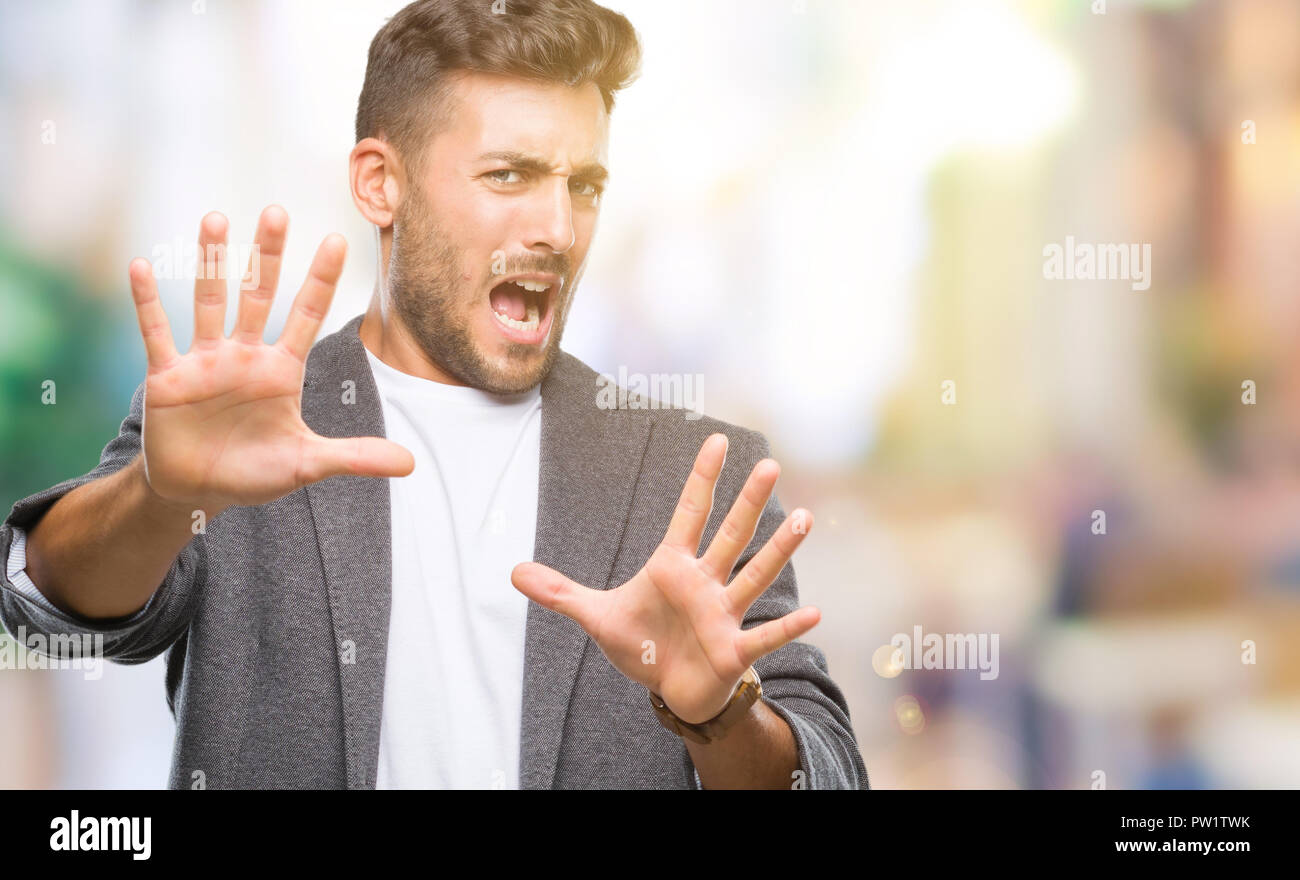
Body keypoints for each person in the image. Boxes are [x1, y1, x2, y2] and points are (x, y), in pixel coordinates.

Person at [0, 0, 867, 790]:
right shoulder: (243, 429)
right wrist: (159, 498)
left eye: (583, 185)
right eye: (509, 175)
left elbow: (828, 775)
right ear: (381, 184)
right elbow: (48, 615)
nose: (557, 228)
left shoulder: (699, 478)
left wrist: (719, 715)